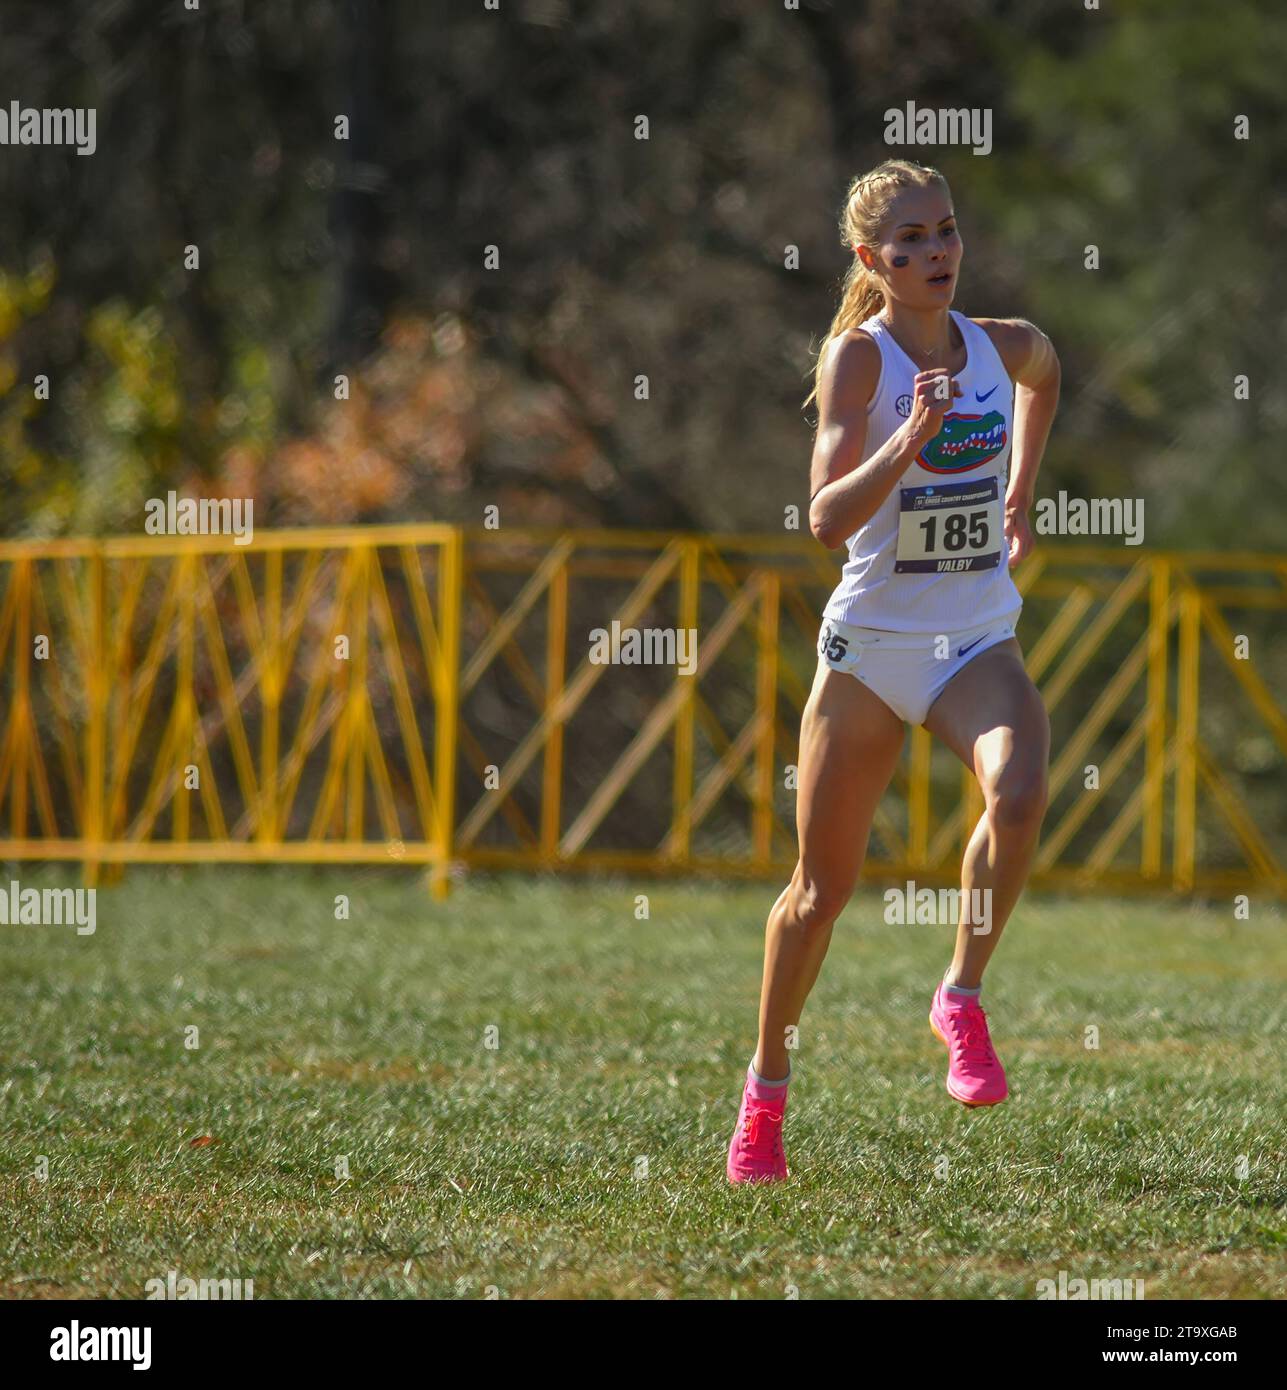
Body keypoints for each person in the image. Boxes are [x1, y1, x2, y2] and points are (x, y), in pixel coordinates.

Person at [727, 159, 1060, 1183]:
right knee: (820, 893)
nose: (934, 254)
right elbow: (826, 520)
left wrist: (1019, 495)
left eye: (946, 231)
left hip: (973, 641)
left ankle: (960, 995)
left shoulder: (1003, 347)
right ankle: (765, 1098)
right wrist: (911, 437)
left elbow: (1048, 376)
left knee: (1020, 789)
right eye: (908, 242)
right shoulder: (858, 364)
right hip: (871, 651)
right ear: (873, 260)